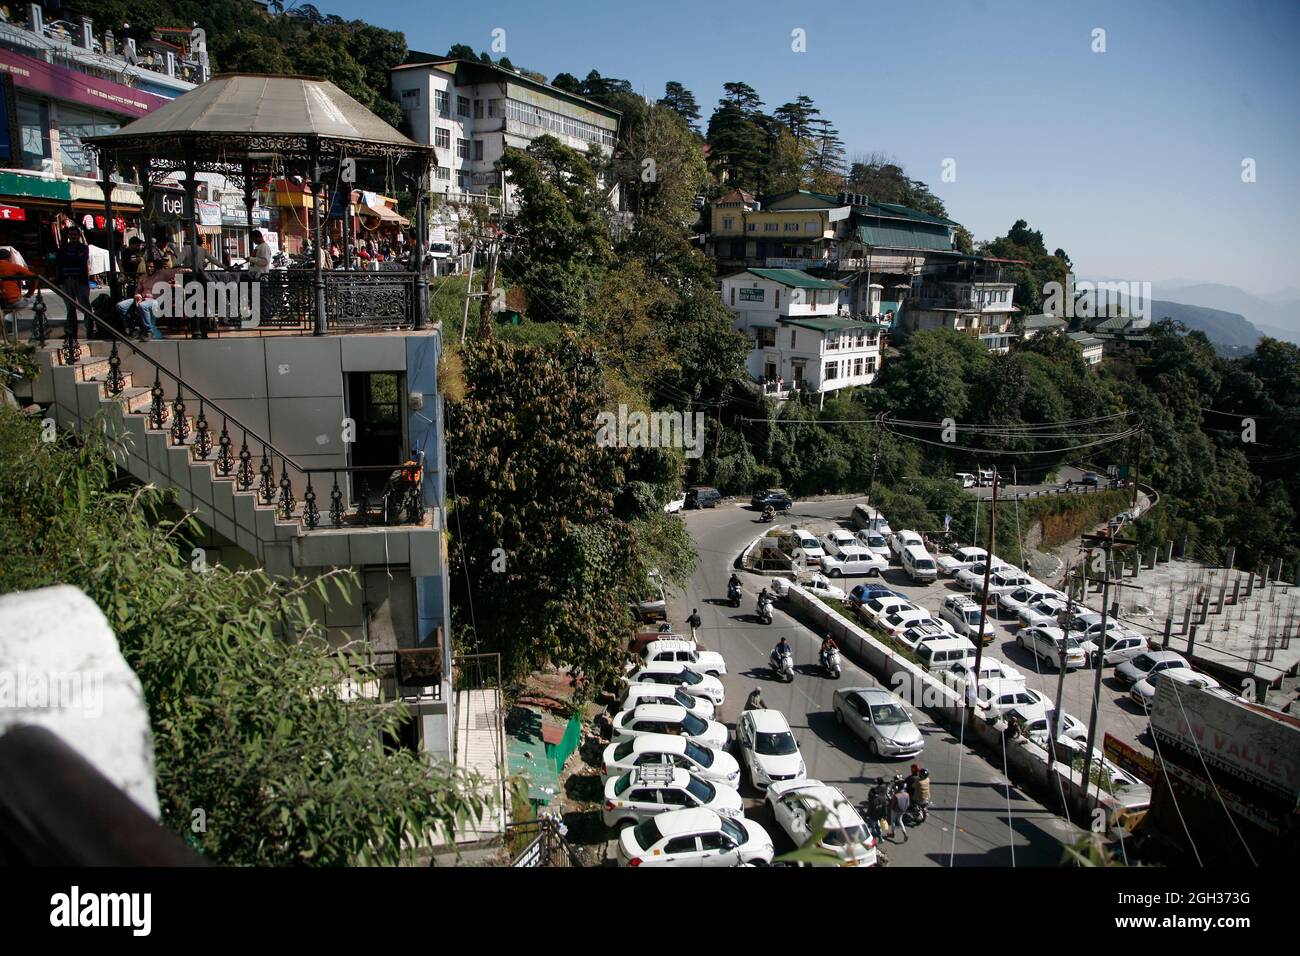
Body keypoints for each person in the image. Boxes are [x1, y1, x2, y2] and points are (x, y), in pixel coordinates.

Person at [55, 227, 91, 333]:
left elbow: (82, 260)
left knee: (85, 305)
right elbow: (59, 263)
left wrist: (70, 258)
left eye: (75, 234)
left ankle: (89, 329)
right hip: (67, 280)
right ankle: (71, 331)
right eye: (71, 235)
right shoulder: (63, 248)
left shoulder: (84, 248)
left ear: (79, 236)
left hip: (80, 280)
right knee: (70, 307)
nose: (73, 236)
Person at [0, 249, 35, 342]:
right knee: (39, 303)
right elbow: (33, 277)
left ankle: (10, 331)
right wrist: (29, 293)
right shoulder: (13, 267)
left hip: (2, 302)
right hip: (14, 301)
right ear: (9, 258)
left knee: (7, 311)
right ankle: (39, 331)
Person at [889, 777, 911, 842]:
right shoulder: (907, 794)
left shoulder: (896, 795)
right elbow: (908, 804)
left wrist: (891, 809)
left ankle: (893, 833)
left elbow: (892, 804)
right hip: (902, 810)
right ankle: (904, 833)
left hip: (895, 810)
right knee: (900, 821)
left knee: (893, 821)